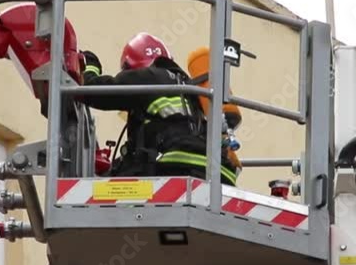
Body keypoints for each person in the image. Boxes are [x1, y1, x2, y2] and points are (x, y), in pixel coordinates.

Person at [79, 33, 238, 185]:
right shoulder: (190, 89)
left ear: (130, 67)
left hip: (170, 168)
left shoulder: (147, 77)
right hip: (211, 171)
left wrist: (90, 67)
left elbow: (93, 91)